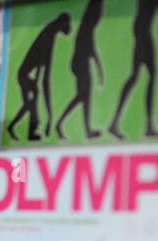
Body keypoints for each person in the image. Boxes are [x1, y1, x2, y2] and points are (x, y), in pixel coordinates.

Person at [108, 0, 158, 139]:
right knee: (140, 76)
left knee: (140, 76)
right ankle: (123, 123)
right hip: (142, 32)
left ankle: (143, 125)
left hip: (142, 31)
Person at [5, 12, 72, 141]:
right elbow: (44, 77)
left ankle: (24, 129)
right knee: (30, 103)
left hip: (27, 74)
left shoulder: (50, 32)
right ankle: (22, 129)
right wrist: (50, 115)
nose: (68, 28)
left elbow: (43, 72)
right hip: (24, 75)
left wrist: (50, 116)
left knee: (30, 102)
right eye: (67, 24)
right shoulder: (49, 34)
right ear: (62, 23)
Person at [54, 0, 105, 139]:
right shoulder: (86, 27)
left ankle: (70, 127)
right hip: (80, 63)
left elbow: (92, 51)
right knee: (83, 96)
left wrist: (99, 71)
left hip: (80, 63)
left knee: (82, 97)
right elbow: (91, 51)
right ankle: (62, 125)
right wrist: (99, 71)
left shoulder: (88, 28)